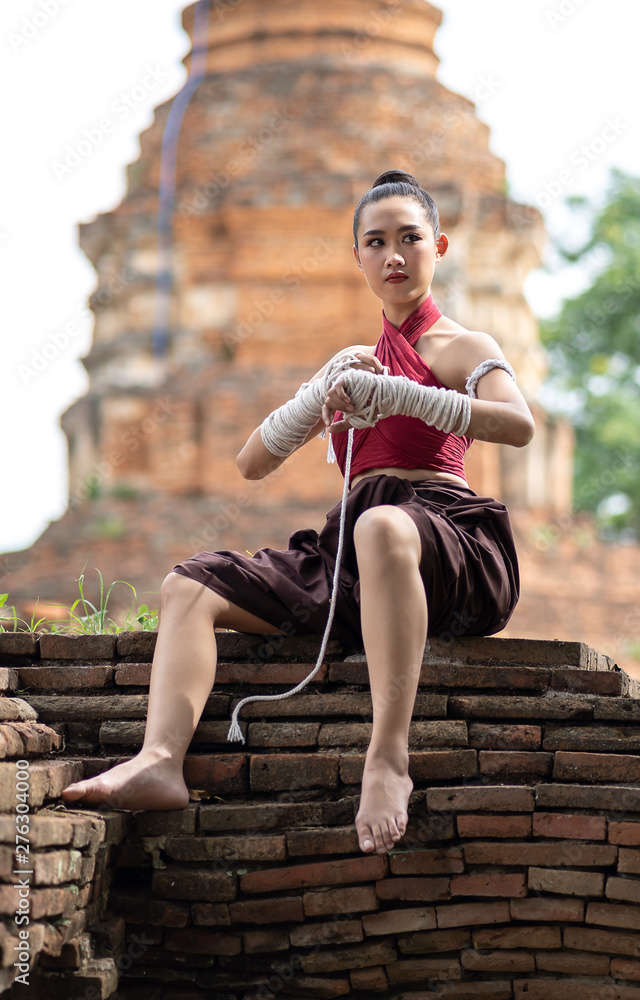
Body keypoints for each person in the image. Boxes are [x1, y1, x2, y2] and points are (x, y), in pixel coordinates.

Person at [62, 169, 534, 856]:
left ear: (440, 245)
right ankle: (159, 760)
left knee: (381, 526)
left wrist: (407, 397)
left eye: (409, 239)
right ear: (358, 259)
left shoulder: (466, 347)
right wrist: (317, 394)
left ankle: (386, 761)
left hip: (446, 539)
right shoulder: (351, 365)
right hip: (351, 550)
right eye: (376, 243)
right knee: (188, 585)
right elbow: (252, 463)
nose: (393, 256)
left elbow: (517, 426)